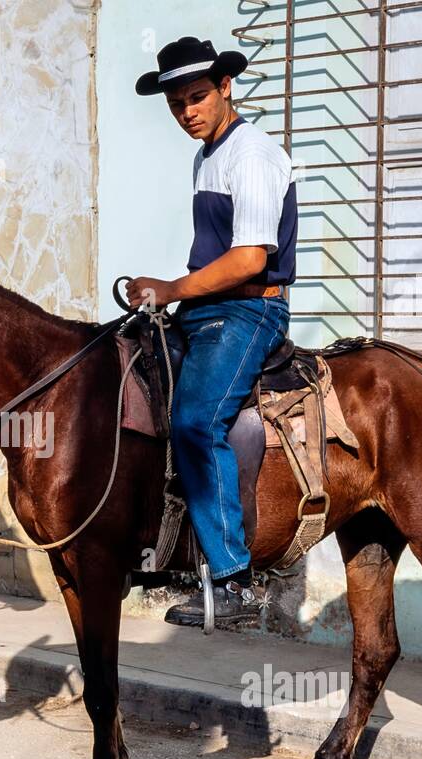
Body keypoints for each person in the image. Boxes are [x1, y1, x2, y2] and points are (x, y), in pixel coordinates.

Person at [127, 37, 298, 627]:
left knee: (197, 422)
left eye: (197, 97)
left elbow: (250, 258)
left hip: (250, 309)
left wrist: (172, 288)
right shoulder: (206, 155)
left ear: (226, 87)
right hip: (207, 307)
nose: (187, 112)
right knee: (130, 387)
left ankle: (235, 584)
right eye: (177, 104)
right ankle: (156, 550)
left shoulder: (251, 154)